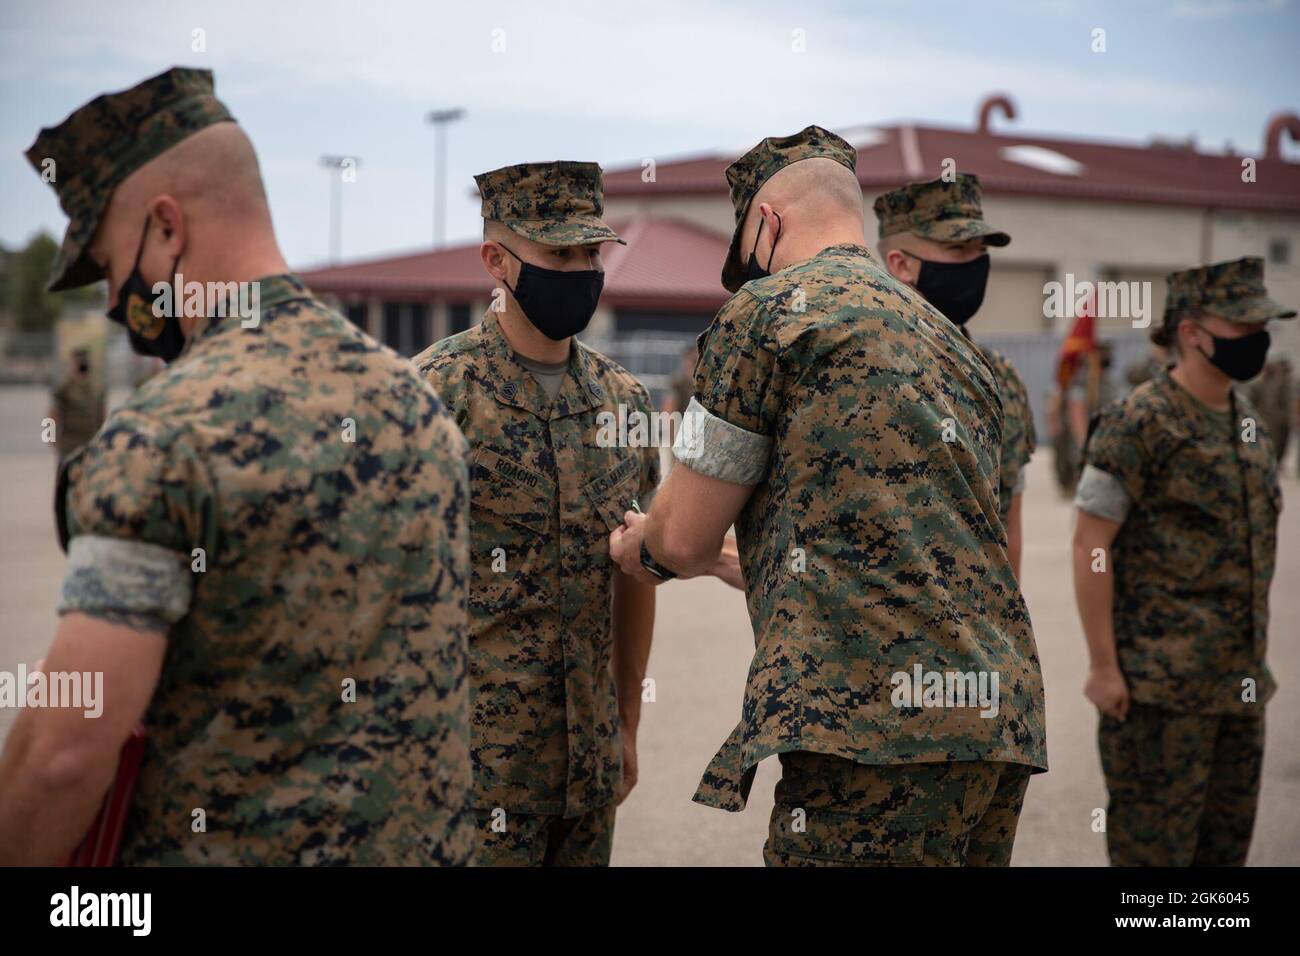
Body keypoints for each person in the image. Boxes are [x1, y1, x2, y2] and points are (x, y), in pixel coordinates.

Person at [0, 67, 473, 865]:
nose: (119, 300)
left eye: (114, 264)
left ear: (165, 227)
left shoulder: (164, 435)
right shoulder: (418, 402)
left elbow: (64, 756)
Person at [610, 126, 1047, 866]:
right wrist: (733, 560)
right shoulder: (955, 345)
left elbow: (678, 535)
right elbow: (911, 548)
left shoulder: (768, 316)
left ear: (765, 222)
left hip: (874, 734)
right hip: (995, 720)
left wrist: (640, 549)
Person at [415, 161, 668, 866]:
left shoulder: (624, 402)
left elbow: (633, 573)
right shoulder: (432, 394)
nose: (582, 271)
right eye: (559, 254)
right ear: (496, 260)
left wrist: (627, 724)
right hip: (469, 771)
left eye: (591, 254)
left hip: (586, 774)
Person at [1072, 256, 1293, 866]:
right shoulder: (1139, 423)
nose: (1257, 339)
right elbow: (1091, 545)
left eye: (1260, 327)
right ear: (1193, 333)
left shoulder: (1249, 427)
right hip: (1158, 697)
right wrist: (1103, 666)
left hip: (1238, 692)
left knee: (1221, 869)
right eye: (1242, 326)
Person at [874, 174, 1035, 575]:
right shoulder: (863, 367)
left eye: (980, 250)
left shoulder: (1000, 376)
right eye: (958, 248)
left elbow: (1008, 518)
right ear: (901, 264)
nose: (976, 264)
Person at [48, 346, 106, 464]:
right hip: (69, 446)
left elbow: (103, 414)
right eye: (78, 362)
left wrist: (103, 438)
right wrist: (49, 438)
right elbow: (52, 415)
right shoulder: (64, 387)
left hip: (91, 444)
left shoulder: (97, 387)